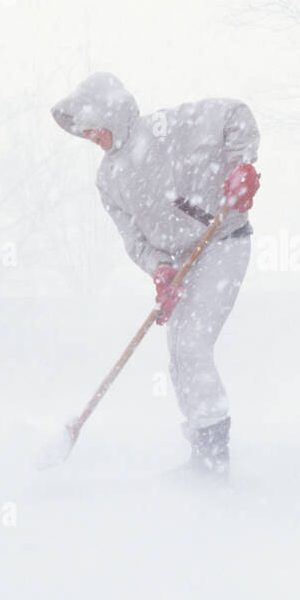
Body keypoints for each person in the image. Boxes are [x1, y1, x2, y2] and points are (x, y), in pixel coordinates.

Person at [51, 72, 260, 476]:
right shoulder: (108, 178)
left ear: (112, 115)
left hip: (223, 239)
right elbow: (134, 239)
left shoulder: (170, 127)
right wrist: (160, 271)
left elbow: (236, 114)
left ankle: (215, 457)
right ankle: (203, 447)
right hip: (181, 261)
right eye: (87, 135)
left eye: (96, 129)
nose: (93, 139)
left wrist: (242, 166)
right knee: (179, 355)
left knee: (193, 346)